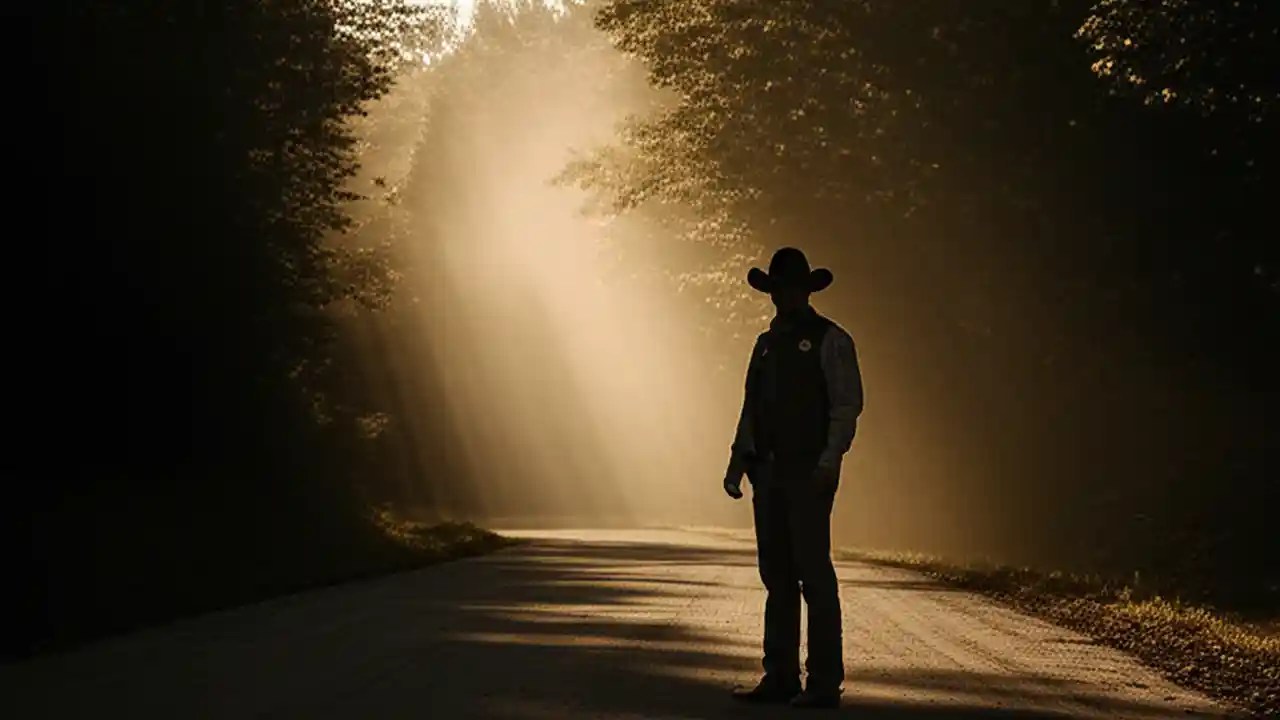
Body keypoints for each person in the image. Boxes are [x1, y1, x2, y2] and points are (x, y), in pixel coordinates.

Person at [724, 247, 864, 709]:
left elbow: (846, 405)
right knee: (777, 575)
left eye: (791, 288)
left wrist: (830, 460)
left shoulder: (831, 340)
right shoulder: (764, 345)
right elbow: (751, 407)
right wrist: (738, 462)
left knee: (813, 573)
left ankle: (823, 681)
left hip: (808, 471)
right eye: (778, 289)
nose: (784, 296)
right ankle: (780, 675)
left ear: (806, 291)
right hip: (768, 472)